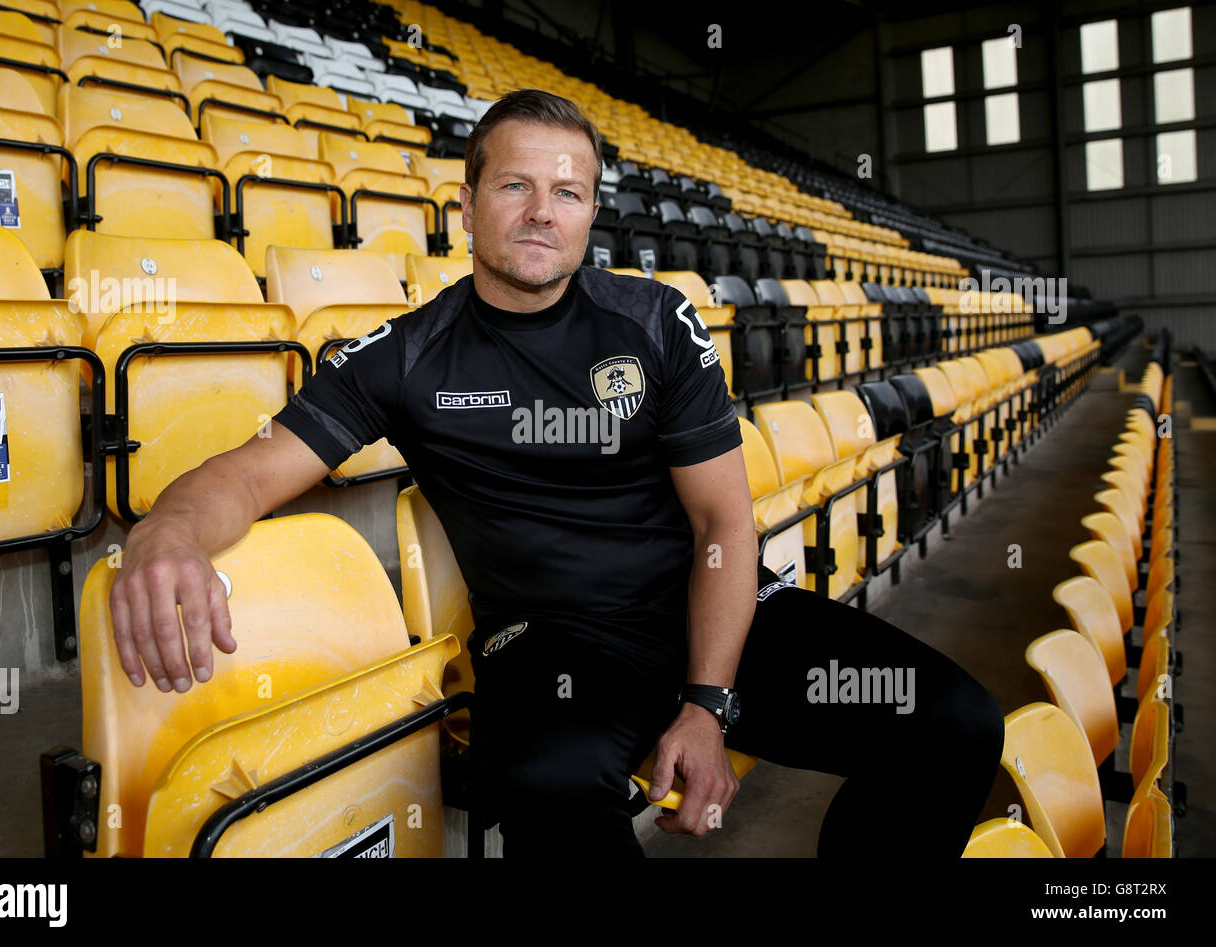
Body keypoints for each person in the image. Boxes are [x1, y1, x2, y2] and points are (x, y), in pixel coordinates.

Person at [108, 88, 1004, 858]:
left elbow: (724, 527)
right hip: (552, 642)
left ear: (589, 213)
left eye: (569, 192)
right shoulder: (407, 355)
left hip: (705, 602)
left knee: (955, 723)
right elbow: (250, 472)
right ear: (467, 204)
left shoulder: (655, 321)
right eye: (516, 185)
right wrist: (171, 531)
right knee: (548, 781)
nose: (543, 210)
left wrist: (708, 703)